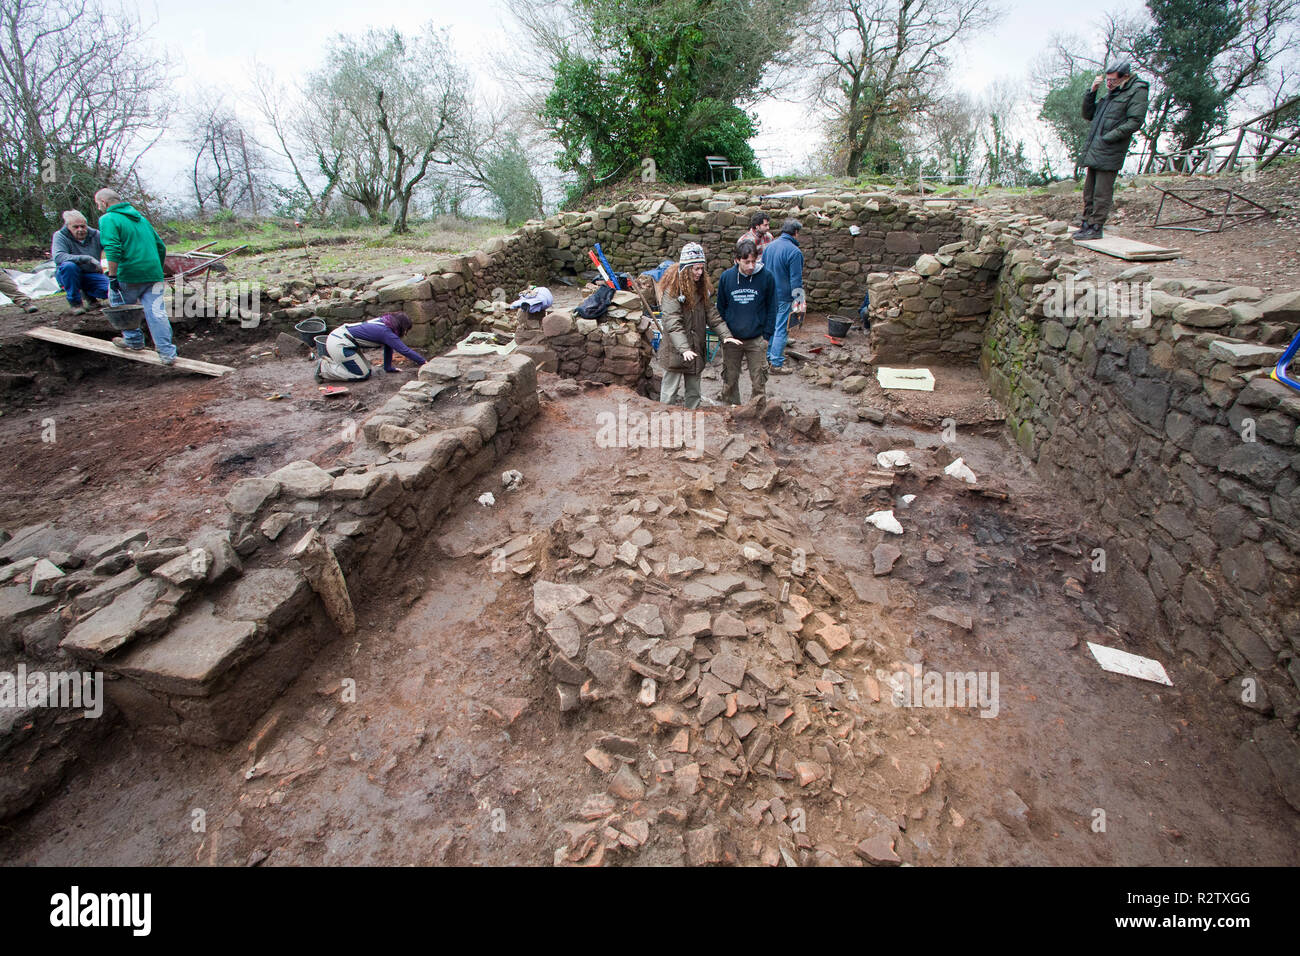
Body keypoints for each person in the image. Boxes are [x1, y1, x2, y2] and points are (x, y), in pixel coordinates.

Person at [94, 188, 178, 365]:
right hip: (153, 273)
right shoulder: (141, 219)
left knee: (121, 305)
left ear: (103, 202)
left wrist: (112, 275)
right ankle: (167, 352)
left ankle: (133, 341)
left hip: (128, 273)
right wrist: (157, 269)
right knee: (156, 312)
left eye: (97, 204)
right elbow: (160, 246)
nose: (98, 207)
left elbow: (112, 248)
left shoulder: (108, 219)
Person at [1076, 59, 1149, 240]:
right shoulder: (1111, 94)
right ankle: (1086, 223)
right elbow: (1088, 115)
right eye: (1107, 80)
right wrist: (1091, 92)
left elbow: (1135, 121)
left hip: (1110, 149)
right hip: (1096, 147)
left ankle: (1095, 227)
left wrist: (1109, 138)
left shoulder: (1137, 91)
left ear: (1125, 77)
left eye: (1113, 80)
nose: (1109, 84)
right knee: (1089, 191)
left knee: (1102, 191)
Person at [658, 242, 736, 409]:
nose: (700, 273)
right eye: (696, 269)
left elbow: (712, 315)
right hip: (675, 350)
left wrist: (726, 335)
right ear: (686, 268)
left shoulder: (701, 290)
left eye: (702, 268)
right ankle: (664, 421)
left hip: (695, 349)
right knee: (669, 392)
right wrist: (684, 349)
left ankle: (692, 424)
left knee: (693, 392)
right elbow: (673, 323)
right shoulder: (672, 290)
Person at [716, 238, 776, 405]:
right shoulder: (727, 278)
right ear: (737, 260)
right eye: (746, 262)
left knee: (759, 380)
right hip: (732, 338)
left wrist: (767, 336)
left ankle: (757, 411)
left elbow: (772, 307)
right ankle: (731, 409)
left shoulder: (766, 277)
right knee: (730, 378)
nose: (751, 266)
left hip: (756, 338)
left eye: (753, 261)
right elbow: (720, 307)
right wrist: (724, 335)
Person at [318, 312, 428, 381]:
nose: (405, 333)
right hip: (340, 344)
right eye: (406, 330)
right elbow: (405, 350)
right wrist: (424, 362)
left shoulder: (385, 323)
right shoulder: (385, 332)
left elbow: (388, 346)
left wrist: (388, 368)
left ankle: (339, 363)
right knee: (362, 374)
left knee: (368, 370)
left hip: (342, 339)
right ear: (402, 327)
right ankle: (325, 369)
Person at [762, 218, 805, 374]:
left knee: (771, 326)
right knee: (781, 329)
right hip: (783, 296)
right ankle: (776, 364)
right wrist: (799, 301)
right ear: (795, 233)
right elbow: (796, 279)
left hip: (769, 293)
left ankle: (767, 356)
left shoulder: (769, 247)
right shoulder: (794, 252)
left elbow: (763, 270)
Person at [51, 210, 109, 315]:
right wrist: (87, 258)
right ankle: (75, 303)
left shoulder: (96, 235)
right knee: (69, 266)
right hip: (68, 275)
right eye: (76, 227)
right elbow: (59, 256)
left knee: (110, 291)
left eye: (83, 226)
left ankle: (89, 296)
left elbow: (111, 247)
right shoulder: (60, 236)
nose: (80, 230)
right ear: (68, 226)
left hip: (91, 274)